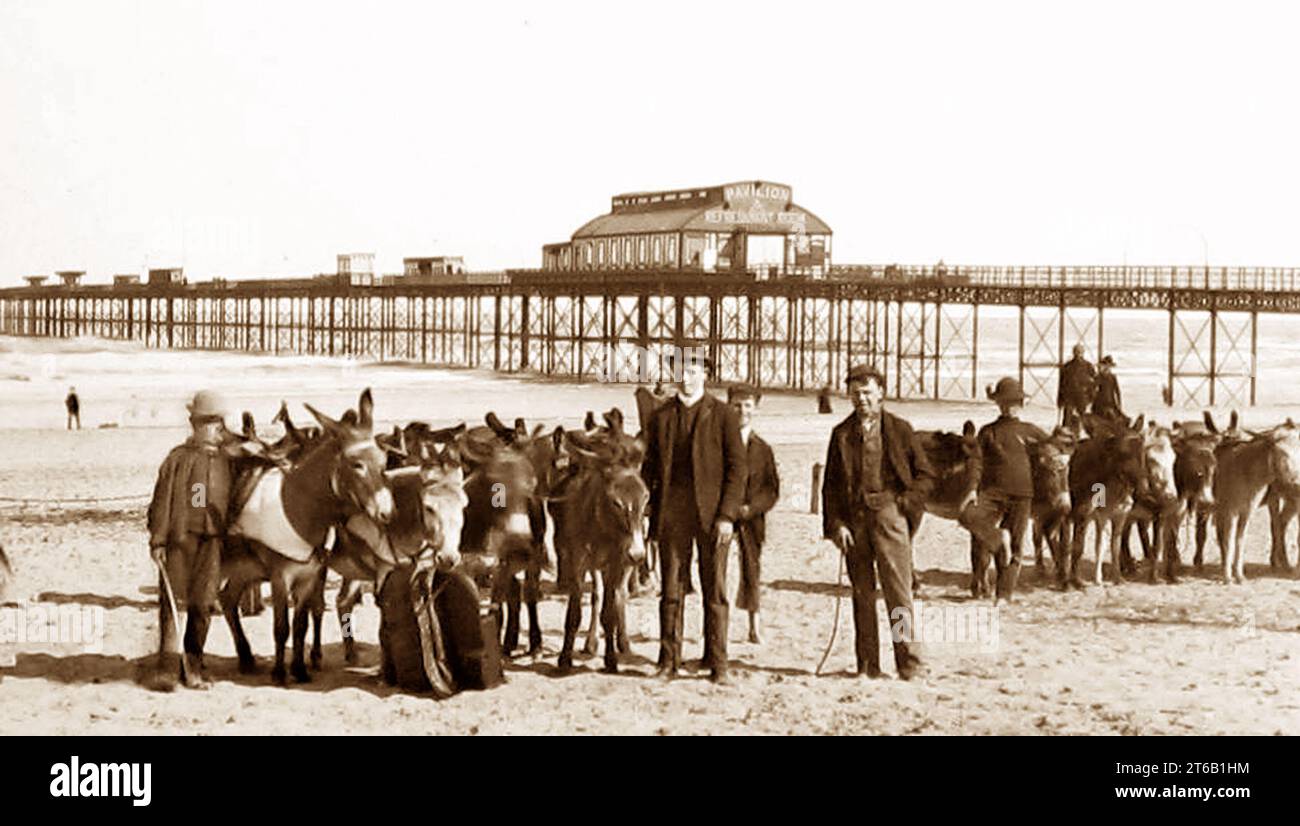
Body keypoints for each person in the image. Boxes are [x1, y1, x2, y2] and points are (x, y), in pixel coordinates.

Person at [822, 364, 935, 680]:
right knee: (862, 594)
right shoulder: (841, 434)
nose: (862, 399)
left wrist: (904, 504)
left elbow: (925, 475)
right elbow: (830, 486)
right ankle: (867, 665)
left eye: (868, 392)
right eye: (856, 393)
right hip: (854, 522)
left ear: (881, 393)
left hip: (890, 517)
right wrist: (837, 525)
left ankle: (909, 662)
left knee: (899, 593)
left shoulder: (900, 430)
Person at [641, 349, 747, 684]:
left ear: (705, 374)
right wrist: (646, 510)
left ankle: (718, 664)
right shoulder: (661, 417)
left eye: (692, 370)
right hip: (672, 517)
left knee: (714, 591)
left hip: (714, 518)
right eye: (679, 370)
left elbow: (737, 470)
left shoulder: (723, 415)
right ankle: (668, 662)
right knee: (671, 591)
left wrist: (728, 516)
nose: (685, 377)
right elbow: (649, 470)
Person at [145, 389, 235, 691]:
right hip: (181, 541)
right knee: (173, 604)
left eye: (217, 422)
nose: (214, 428)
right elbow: (162, 502)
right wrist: (158, 540)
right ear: (194, 424)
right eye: (208, 422)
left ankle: (193, 664)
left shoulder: (225, 460)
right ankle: (168, 668)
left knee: (203, 604)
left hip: (212, 542)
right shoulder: (179, 459)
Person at [959, 378, 1050, 603]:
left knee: (1016, 546)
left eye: (1014, 402)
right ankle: (998, 538)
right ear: (998, 404)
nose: (1010, 406)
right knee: (967, 517)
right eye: (1005, 402)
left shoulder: (1032, 432)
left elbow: (1052, 457)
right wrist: (972, 489)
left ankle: (1004, 594)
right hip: (991, 492)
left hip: (1023, 493)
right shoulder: (988, 432)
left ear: (1021, 404)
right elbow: (976, 463)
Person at [727, 384, 780, 645]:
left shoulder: (763, 449)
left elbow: (772, 490)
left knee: (751, 570)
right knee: (718, 572)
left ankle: (753, 625)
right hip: (723, 516)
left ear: (756, 409)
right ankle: (717, 627)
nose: (742, 411)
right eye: (737, 405)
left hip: (751, 519)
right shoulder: (718, 444)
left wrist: (752, 508)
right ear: (729, 407)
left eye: (748, 405)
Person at [1056, 345, 1096, 430]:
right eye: (1076, 352)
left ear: (1083, 353)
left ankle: (1082, 435)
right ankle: (1066, 435)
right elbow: (1061, 384)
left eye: (1080, 352)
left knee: (1083, 418)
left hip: (1082, 397)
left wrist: (1092, 397)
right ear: (1073, 352)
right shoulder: (1067, 367)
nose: (1078, 354)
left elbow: (1093, 384)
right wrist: (1060, 399)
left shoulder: (1088, 366)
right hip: (1069, 396)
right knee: (1067, 418)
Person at [1091, 355, 1124, 421]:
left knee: (1119, 416)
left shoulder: (1113, 377)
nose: (1107, 368)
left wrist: (1119, 404)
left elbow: (1117, 391)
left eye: (1108, 366)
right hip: (1100, 404)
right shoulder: (1099, 377)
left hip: (1111, 402)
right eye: (1105, 366)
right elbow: (1093, 389)